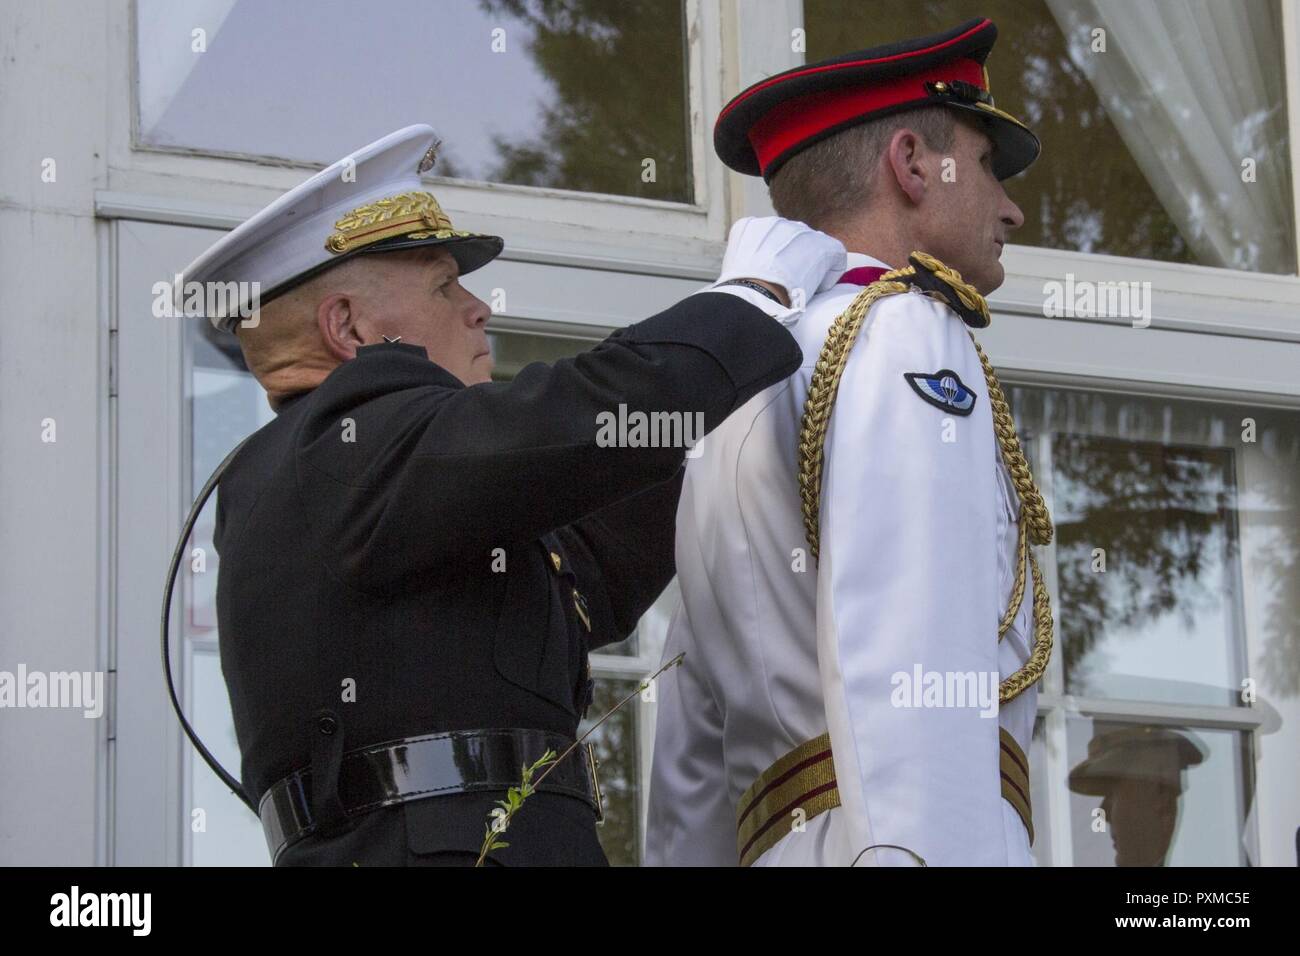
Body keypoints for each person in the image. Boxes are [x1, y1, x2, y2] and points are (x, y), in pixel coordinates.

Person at [176, 124, 847, 865]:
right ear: (349, 327)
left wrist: (736, 408)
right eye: (442, 285)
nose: (478, 308)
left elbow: (591, 558)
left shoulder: (381, 497)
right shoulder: (341, 443)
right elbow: (571, 417)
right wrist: (749, 304)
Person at [646, 18, 1054, 866]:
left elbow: (690, 754)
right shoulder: (905, 335)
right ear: (911, 164)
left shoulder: (736, 383)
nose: (1010, 207)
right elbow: (917, 684)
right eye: (985, 166)